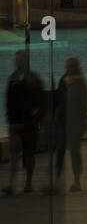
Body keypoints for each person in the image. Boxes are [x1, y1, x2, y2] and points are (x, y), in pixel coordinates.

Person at [4, 50, 47, 196]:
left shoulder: (33, 78)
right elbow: (8, 100)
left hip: (29, 124)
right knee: (14, 154)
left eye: (19, 59)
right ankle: (11, 183)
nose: (16, 62)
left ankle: (28, 183)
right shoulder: (13, 77)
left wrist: (36, 115)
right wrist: (9, 119)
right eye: (16, 60)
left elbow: (42, 101)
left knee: (29, 154)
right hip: (15, 123)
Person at [53, 56, 87, 193]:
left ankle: (77, 181)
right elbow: (58, 98)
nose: (68, 68)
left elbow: (84, 104)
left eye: (70, 65)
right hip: (63, 120)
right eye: (67, 66)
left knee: (74, 151)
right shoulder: (63, 79)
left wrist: (82, 122)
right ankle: (58, 181)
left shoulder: (81, 82)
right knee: (60, 150)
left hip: (75, 121)